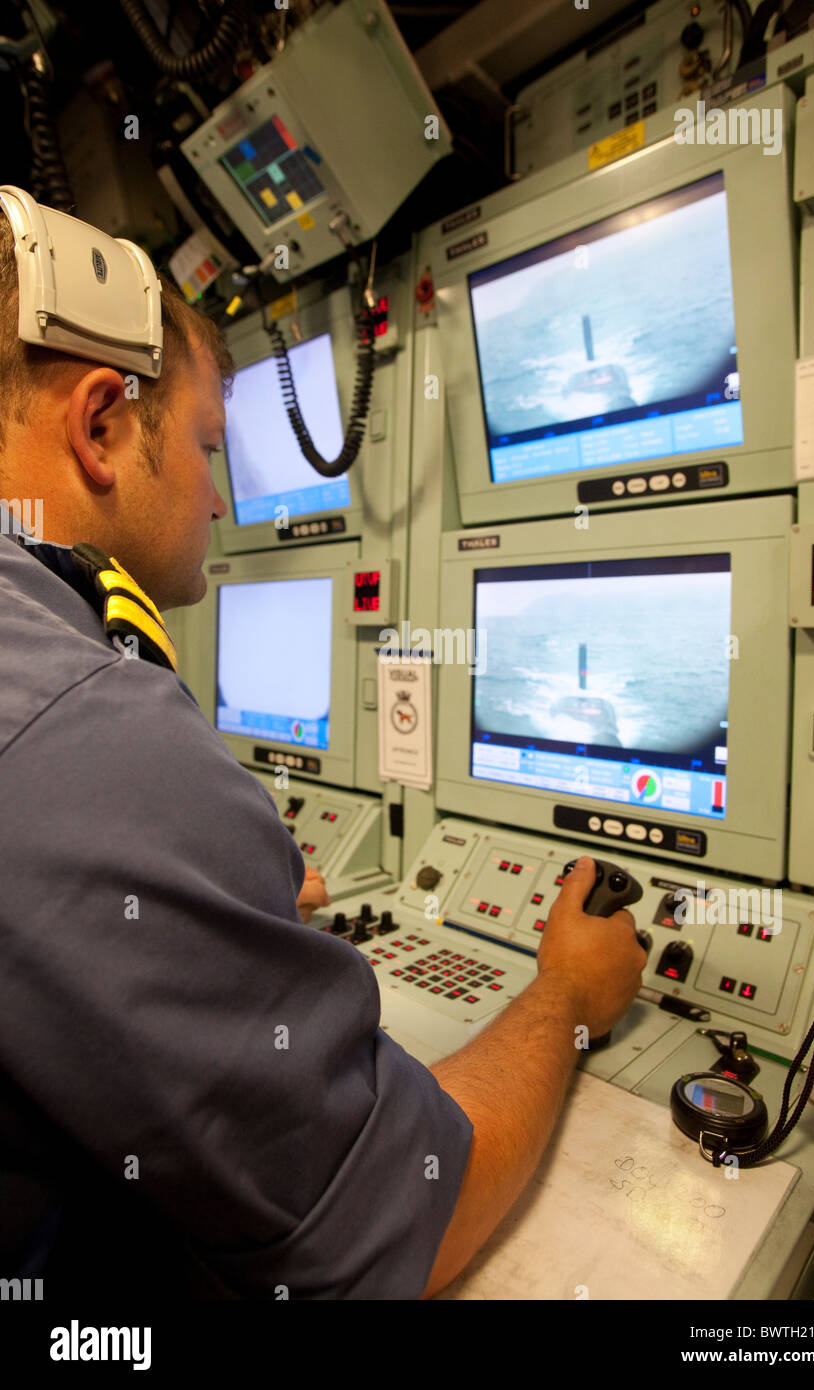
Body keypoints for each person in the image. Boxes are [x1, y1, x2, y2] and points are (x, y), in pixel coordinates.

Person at [0, 204, 645, 1300]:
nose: (218, 496)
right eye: (208, 448)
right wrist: (566, 999)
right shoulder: (78, 718)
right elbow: (390, 1230)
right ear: (101, 424)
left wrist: (200, 931)